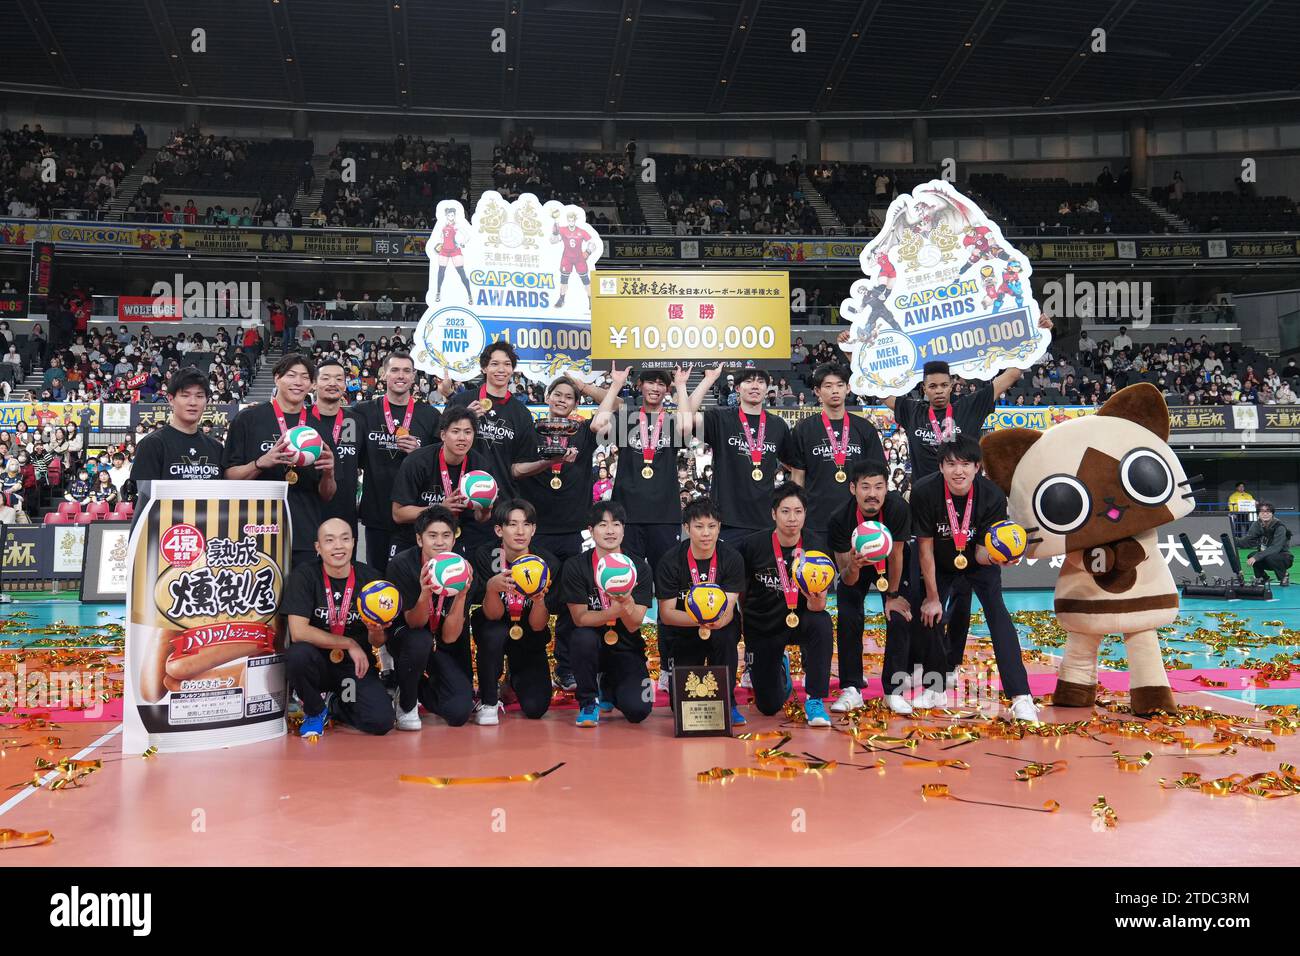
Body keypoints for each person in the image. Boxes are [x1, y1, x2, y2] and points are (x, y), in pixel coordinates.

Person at [911, 436, 1037, 720]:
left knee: (999, 618)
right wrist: (932, 598)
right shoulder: (923, 491)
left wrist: (997, 556)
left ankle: (1021, 696)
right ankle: (935, 686)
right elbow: (925, 548)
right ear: (941, 467)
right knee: (929, 613)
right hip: (939, 561)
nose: (959, 471)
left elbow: (981, 553)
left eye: (966, 464)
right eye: (951, 464)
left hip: (978, 563)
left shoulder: (991, 495)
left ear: (977, 467)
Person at [516, 374, 609, 691]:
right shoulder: (530, 431)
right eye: (557, 394)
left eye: (569, 397)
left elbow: (618, 409)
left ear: (575, 404)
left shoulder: (584, 432)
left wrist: (585, 386)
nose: (561, 400)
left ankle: (565, 667)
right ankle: (529, 665)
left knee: (574, 601)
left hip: (572, 531)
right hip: (535, 532)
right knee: (532, 598)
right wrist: (546, 462)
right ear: (548, 396)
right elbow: (515, 470)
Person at [282, 520, 397, 739]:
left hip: (351, 670)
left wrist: (375, 630)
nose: (338, 546)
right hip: (316, 667)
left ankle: (337, 702)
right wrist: (349, 643)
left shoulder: (371, 580)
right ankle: (315, 710)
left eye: (345, 538)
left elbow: (378, 643)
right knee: (297, 655)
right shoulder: (304, 576)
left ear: (354, 543)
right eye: (329, 540)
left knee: (380, 721)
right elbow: (298, 631)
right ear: (318, 547)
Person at [222, 355, 336, 569]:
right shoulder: (248, 419)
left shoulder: (318, 430)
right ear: (277, 379)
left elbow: (327, 494)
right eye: (291, 375)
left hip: (303, 533)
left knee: (299, 599)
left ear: (311, 385)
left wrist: (329, 473)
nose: (298, 382)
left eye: (304, 377)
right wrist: (259, 464)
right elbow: (228, 476)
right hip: (252, 532)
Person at [738, 485, 834, 726]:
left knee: (821, 622)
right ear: (774, 514)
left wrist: (815, 598)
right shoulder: (752, 546)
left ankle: (814, 699)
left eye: (798, 511)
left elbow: (819, 605)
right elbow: (742, 594)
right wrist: (747, 627)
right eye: (785, 511)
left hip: (801, 619)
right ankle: (780, 666)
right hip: (764, 625)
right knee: (768, 707)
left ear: (805, 514)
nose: (792, 518)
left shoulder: (815, 546)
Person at [827, 460, 913, 713]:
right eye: (865, 487)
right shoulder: (839, 519)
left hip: (891, 567)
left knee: (899, 615)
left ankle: (893, 692)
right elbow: (846, 576)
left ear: (887, 489)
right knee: (849, 614)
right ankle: (851, 688)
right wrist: (854, 565)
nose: (873, 494)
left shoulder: (898, 509)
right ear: (853, 488)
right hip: (857, 566)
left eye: (879, 487)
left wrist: (893, 595)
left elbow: (897, 555)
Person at [561, 501, 654, 728]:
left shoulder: (639, 568)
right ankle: (588, 701)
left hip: (626, 645)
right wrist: (612, 611)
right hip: (590, 645)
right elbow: (580, 618)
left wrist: (627, 602)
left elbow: (634, 625)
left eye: (616, 524)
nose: (610, 531)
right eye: (602, 525)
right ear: (591, 531)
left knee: (638, 711)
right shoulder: (576, 566)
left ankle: (609, 685)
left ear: (624, 529)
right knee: (583, 637)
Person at [467, 499, 560, 724]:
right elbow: (492, 615)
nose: (520, 531)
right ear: (499, 529)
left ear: (534, 529)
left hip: (529, 632)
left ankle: (514, 679)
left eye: (526, 524)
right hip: (495, 626)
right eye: (512, 524)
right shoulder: (485, 555)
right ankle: (489, 698)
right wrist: (491, 589)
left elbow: (538, 626)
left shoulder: (548, 563)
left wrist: (538, 601)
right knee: (493, 633)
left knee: (536, 708)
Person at [654, 498, 746, 724]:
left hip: (719, 628)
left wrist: (716, 623)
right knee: (682, 709)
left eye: (712, 526)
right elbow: (667, 613)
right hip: (683, 630)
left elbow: (729, 610)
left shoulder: (731, 558)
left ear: (719, 527)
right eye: (699, 526)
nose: (706, 533)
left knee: (725, 638)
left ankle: (729, 702)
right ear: (686, 528)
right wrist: (700, 621)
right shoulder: (670, 561)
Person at [678, 365, 794, 544]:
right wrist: (708, 380)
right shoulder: (721, 418)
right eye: (748, 381)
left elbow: (793, 464)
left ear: (767, 388)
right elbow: (687, 417)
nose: (755, 386)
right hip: (727, 520)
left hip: (765, 520)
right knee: (729, 573)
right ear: (738, 388)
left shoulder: (778, 425)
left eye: (760, 382)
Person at [386, 506, 476, 730]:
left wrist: (461, 595)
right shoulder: (402, 565)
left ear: (454, 540)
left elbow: (450, 635)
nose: (440, 542)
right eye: (432, 536)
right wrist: (425, 592)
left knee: (459, 713)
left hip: (442, 643)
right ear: (419, 539)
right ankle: (406, 704)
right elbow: (415, 622)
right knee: (420, 640)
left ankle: (417, 686)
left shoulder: (463, 569)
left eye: (446, 535)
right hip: (408, 639)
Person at [352, 351, 441, 572]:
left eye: (406, 371)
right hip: (376, 511)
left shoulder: (430, 415)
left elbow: (440, 463)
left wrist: (420, 454)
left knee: (412, 578)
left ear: (413, 377)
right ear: (384, 375)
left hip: (415, 513)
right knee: (377, 576)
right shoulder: (362, 412)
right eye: (395, 370)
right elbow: (352, 458)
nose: (400, 376)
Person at [592, 364, 683, 571]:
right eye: (650, 382)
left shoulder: (673, 422)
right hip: (627, 515)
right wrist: (615, 385)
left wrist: (682, 386)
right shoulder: (625, 418)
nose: (655, 388)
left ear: (667, 390)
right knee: (625, 580)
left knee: (667, 580)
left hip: (665, 517)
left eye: (661, 384)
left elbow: (688, 425)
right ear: (640, 385)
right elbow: (597, 425)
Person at [787, 362, 886, 536]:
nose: (835, 391)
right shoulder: (804, 429)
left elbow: (878, 474)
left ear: (848, 388)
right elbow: (797, 478)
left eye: (840, 385)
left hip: (857, 519)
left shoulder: (864, 428)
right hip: (816, 521)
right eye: (828, 386)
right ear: (817, 391)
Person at [391, 406, 497, 555]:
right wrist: (439, 508)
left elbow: (481, 518)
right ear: (443, 435)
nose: (462, 438)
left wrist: (486, 509)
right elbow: (398, 514)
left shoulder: (481, 467)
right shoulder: (417, 462)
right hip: (418, 539)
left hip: (461, 539)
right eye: (455, 431)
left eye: (468, 432)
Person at [440, 342, 538, 498]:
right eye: (494, 364)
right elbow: (440, 443)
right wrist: (465, 419)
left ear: (512, 369)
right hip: (458, 495)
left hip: (502, 499)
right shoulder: (461, 401)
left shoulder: (522, 414)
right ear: (484, 368)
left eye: (507, 364)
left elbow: (521, 463)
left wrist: (548, 462)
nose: (501, 369)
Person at [130, 367, 224, 484]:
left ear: (206, 401)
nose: (193, 402)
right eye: (185, 395)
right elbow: (145, 496)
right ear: (170, 399)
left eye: (199, 396)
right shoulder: (152, 445)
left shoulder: (216, 448)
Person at [309, 358, 361, 538]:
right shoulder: (301, 421)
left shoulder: (357, 421)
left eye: (339, 379)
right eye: (326, 378)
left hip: (345, 514)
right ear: (314, 384)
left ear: (345, 385)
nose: (333, 383)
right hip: (307, 513)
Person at [1236, 502, 1293, 586]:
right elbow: (1247, 541)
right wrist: (1231, 539)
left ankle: (1284, 576)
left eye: (1268, 512)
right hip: (1266, 555)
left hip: (1283, 557)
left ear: (1272, 514)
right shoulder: (1256, 524)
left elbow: (1276, 548)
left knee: (1270, 557)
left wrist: (1257, 557)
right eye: (1262, 512)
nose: (1265, 514)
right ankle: (1262, 577)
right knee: (1252, 555)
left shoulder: (1280, 527)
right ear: (1258, 514)